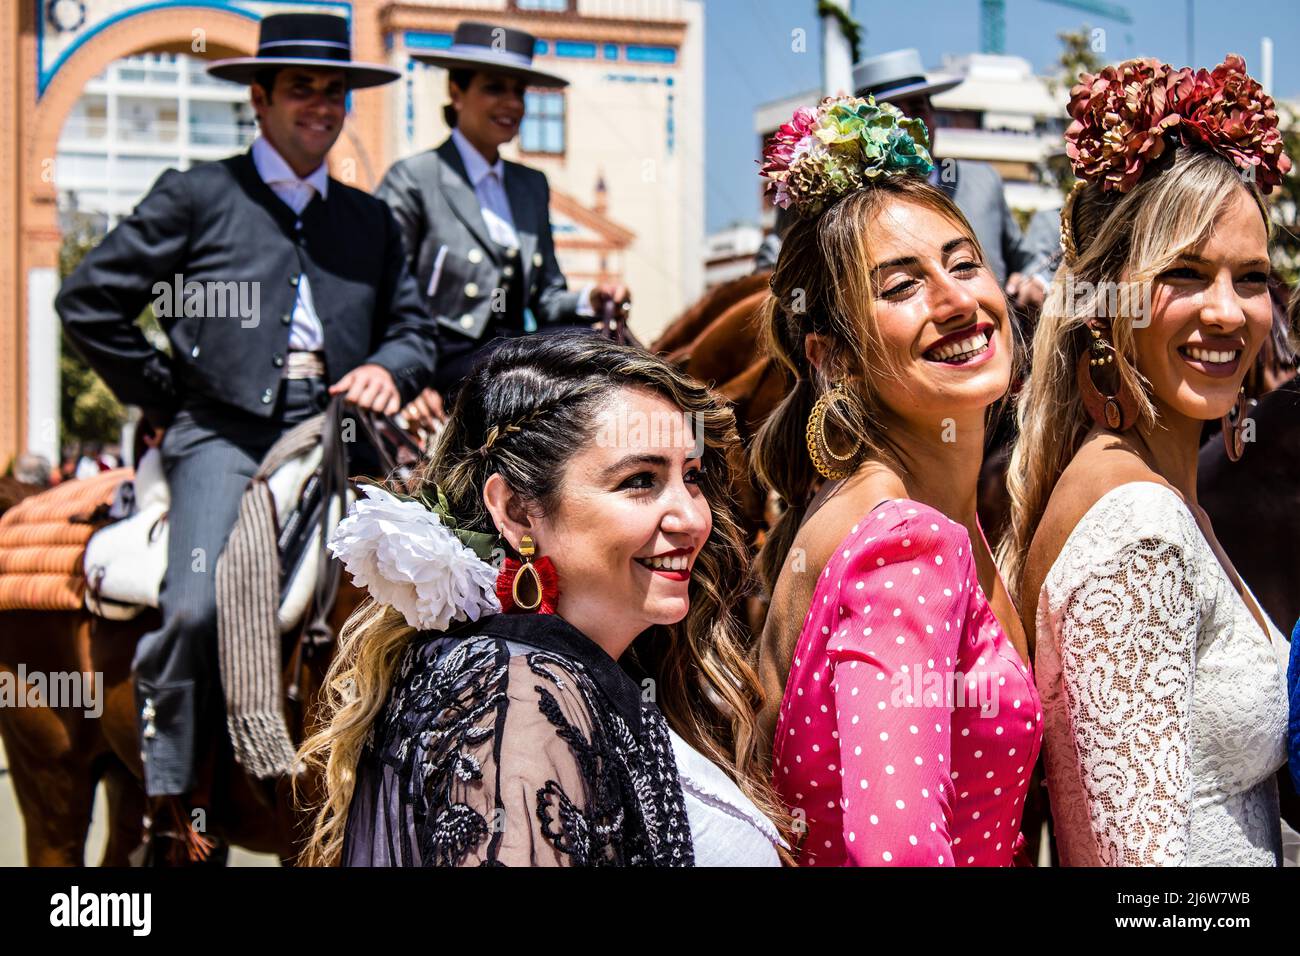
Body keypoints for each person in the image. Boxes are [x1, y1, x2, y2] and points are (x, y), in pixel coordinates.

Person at [55, 13, 437, 857]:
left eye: (334, 90)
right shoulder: (197, 193)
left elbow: (414, 330)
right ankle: (169, 798)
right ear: (258, 98)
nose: (321, 104)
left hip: (342, 432)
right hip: (218, 438)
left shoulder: (370, 223)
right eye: (301, 87)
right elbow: (89, 300)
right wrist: (167, 394)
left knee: (441, 580)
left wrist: (392, 368)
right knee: (192, 605)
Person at [298, 334, 787, 866]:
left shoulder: (569, 675)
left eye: (691, 478)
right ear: (517, 512)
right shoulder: (518, 698)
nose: (692, 519)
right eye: (639, 480)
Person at [1002, 56, 1292, 866]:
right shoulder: (1138, 527)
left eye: (1253, 278)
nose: (1228, 312)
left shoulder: (1150, 492)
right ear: (1106, 303)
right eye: (1186, 276)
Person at [751, 95, 1041, 866]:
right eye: (901, 285)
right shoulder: (906, 546)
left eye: (964, 263)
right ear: (833, 360)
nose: (957, 303)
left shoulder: (897, 514)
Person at [376, 20, 630, 421]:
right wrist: (406, 375)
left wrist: (590, 299)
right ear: (456, 92)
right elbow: (383, 290)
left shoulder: (530, 185)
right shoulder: (415, 178)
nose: (512, 103)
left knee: (604, 352)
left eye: (519, 91)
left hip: (510, 358)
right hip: (441, 359)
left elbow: (546, 297)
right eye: (495, 88)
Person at [853, 48, 1056, 313]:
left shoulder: (983, 180)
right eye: (892, 116)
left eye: (918, 109)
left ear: (934, 116)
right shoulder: (856, 208)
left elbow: (1022, 259)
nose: (910, 124)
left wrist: (1034, 280)